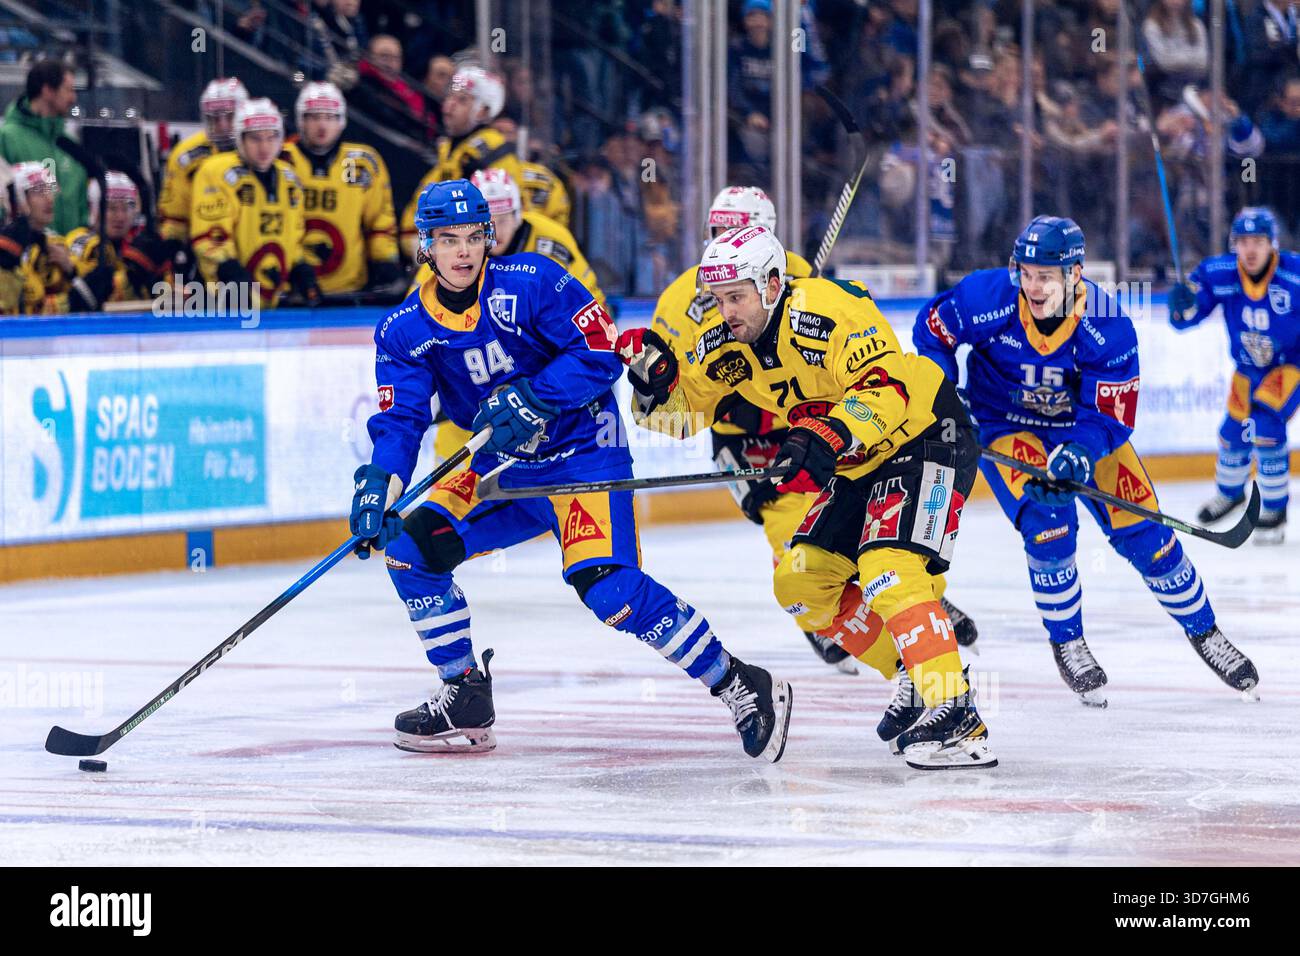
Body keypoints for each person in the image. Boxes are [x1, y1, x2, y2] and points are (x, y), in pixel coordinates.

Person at [349, 179, 792, 761]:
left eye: (473, 237)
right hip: (500, 467)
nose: (462, 252)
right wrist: (382, 483)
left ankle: (742, 683)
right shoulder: (403, 329)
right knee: (410, 550)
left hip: (583, 454)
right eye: (447, 239)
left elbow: (603, 350)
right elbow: (402, 418)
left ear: (488, 239)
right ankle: (464, 694)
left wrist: (535, 395)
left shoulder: (534, 281)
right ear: (424, 246)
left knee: (609, 591)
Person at [626, 223, 994, 770]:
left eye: (737, 297)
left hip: (924, 435)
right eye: (720, 299)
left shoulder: (828, 311)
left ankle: (957, 711)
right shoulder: (724, 342)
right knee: (800, 582)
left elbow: (886, 390)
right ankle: (915, 676)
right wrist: (652, 389)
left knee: (888, 567)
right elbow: (687, 413)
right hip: (858, 460)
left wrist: (827, 433)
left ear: (773, 285)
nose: (726, 312)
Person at [914, 215, 1259, 706]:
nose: (1032, 287)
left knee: (1146, 534)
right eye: (1026, 273)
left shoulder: (1107, 324)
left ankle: (1205, 632)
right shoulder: (985, 297)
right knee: (1048, 521)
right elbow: (933, 334)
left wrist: (1078, 452)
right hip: (1007, 429)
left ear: (1074, 273)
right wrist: (947, 392)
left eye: (1046, 276)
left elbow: (1110, 414)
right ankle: (1068, 641)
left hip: (1084, 433)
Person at [1169, 207, 1300, 544]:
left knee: (1266, 424)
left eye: (1258, 241)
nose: (1250, 250)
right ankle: (1230, 493)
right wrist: (1182, 306)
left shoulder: (1294, 276)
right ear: (1234, 245)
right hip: (1248, 369)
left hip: (1290, 366)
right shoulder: (1219, 274)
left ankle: (1274, 508)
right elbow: (1187, 317)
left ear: (1272, 244)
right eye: (1243, 241)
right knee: (1233, 432)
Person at [190, 97, 320, 307]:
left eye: (271, 138)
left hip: (275, 299)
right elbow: (209, 237)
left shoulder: (289, 178)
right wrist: (227, 268)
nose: (264, 147)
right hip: (223, 301)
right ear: (241, 139)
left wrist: (299, 267)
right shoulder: (216, 172)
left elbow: (293, 236)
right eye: (255, 139)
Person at [281, 81, 401, 294]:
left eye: (330, 117)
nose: (322, 126)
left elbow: (380, 220)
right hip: (290, 286)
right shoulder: (281, 159)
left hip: (351, 287)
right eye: (314, 117)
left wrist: (385, 260)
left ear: (342, 121)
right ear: (301, 120)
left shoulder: (364, 162)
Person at [398, 66, 522, 258]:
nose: (449, 106)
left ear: (483, 111)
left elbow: (501, 226)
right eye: (450, 97)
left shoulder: (493, 153)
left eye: (462, 100)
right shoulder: (450, 148)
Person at [158, 78, 249, 254]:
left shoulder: (263, 151)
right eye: (214, 118)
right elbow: (174, 217)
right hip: (203, 248)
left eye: (230, 117)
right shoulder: (186, 156)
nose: (222, 126)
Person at [0, 59, 87, 233]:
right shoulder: (7, 138)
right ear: (47, 91)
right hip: (24, 254)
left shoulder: (70, 145)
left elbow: (82, 208)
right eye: (68, 90)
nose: (73, 98)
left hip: (70, 256)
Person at [0, 162, 99, 313]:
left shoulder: (56, 244)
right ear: (18, 199)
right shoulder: (6, 248)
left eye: (50, 190)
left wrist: (71, 269)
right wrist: (69, 302)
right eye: (39, 191)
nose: (49, 199)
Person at [65, 171, 171, 305]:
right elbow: (92, 294)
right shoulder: (84, 242)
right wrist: (131, 277)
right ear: (94, 209)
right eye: (112, 209)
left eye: (126, 208)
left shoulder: (137, 245)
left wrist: (157, 276)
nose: (120, 217)